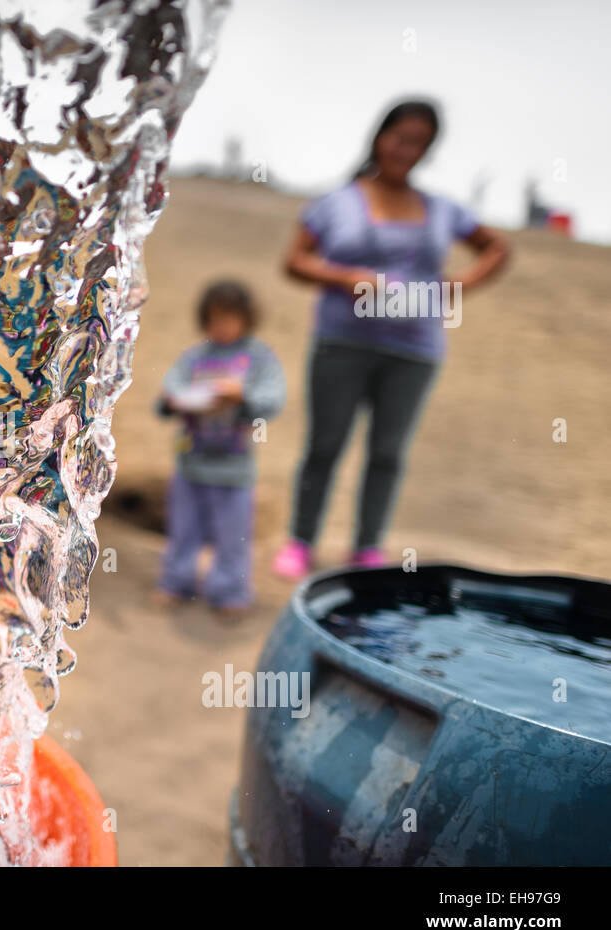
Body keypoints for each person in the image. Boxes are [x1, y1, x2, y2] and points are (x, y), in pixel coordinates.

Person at [272, 100, 510, 580]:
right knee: (325, 444)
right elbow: (294, 261)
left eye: (420, 143)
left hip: (414, 349)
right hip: (342, 340)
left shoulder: (442, 209)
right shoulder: (337, 203)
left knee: (388, 452)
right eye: (401, 138)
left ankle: (366, 549)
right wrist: (345, 277)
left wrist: (459, 285)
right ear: (381, 136)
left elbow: (497, 248)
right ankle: (301, 542)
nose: (407, 150)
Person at [154, 280, 286, 620]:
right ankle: (176, 582)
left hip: (235, 467)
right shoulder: (195, 357)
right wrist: (177, 401)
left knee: (233, 535)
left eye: (229, 319)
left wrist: (242, 397)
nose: (221, 327)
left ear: (246, 318)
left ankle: (230, 591)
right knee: (183, 529)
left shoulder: (258, 357)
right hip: (190, 463)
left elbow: (273, 399)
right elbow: (168, 393)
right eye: (214, 319)